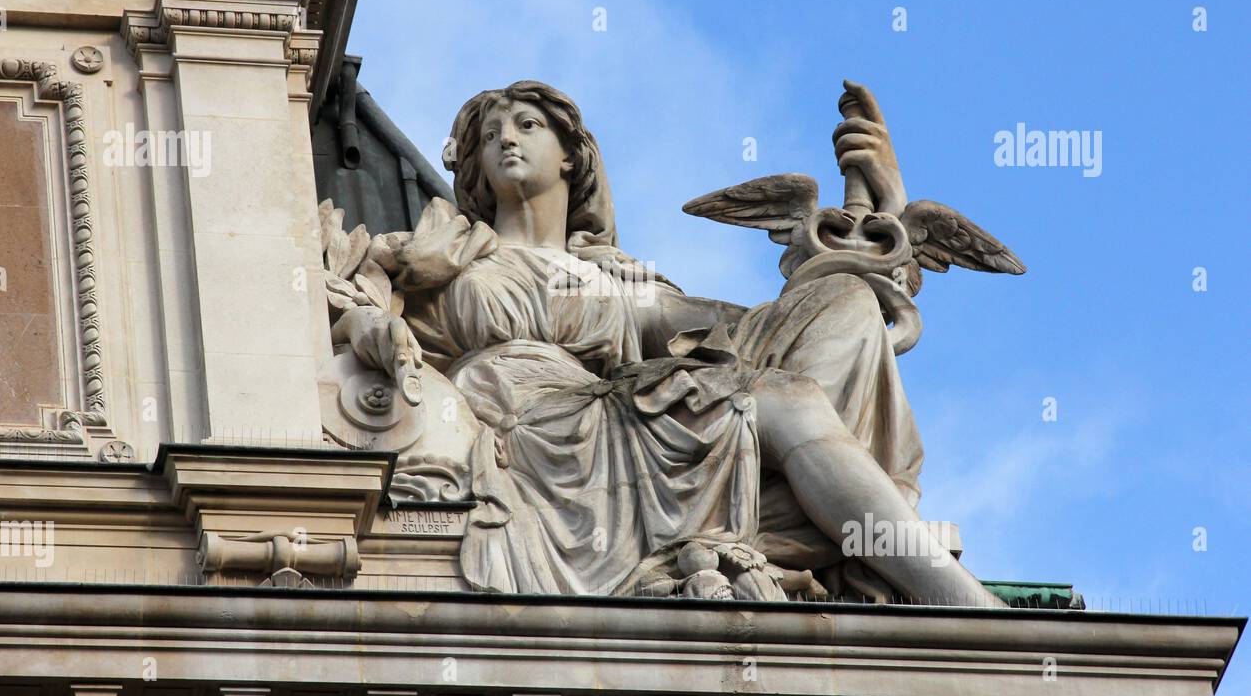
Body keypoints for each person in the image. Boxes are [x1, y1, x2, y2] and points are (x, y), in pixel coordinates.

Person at [337, 80, 1004, 607]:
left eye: (526, 126)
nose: (505, 140)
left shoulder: (617, 283)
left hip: (607, 422)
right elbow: (351, 303)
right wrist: (377, 328)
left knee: (800, 368)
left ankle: (945, 594)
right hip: (512, 434)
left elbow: (757, 331)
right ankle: (951, 597)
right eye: (489, 134)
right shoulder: (444, 253)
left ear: (571, 155)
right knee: (777, 400)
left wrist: (878, 227)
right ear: (475, 164)